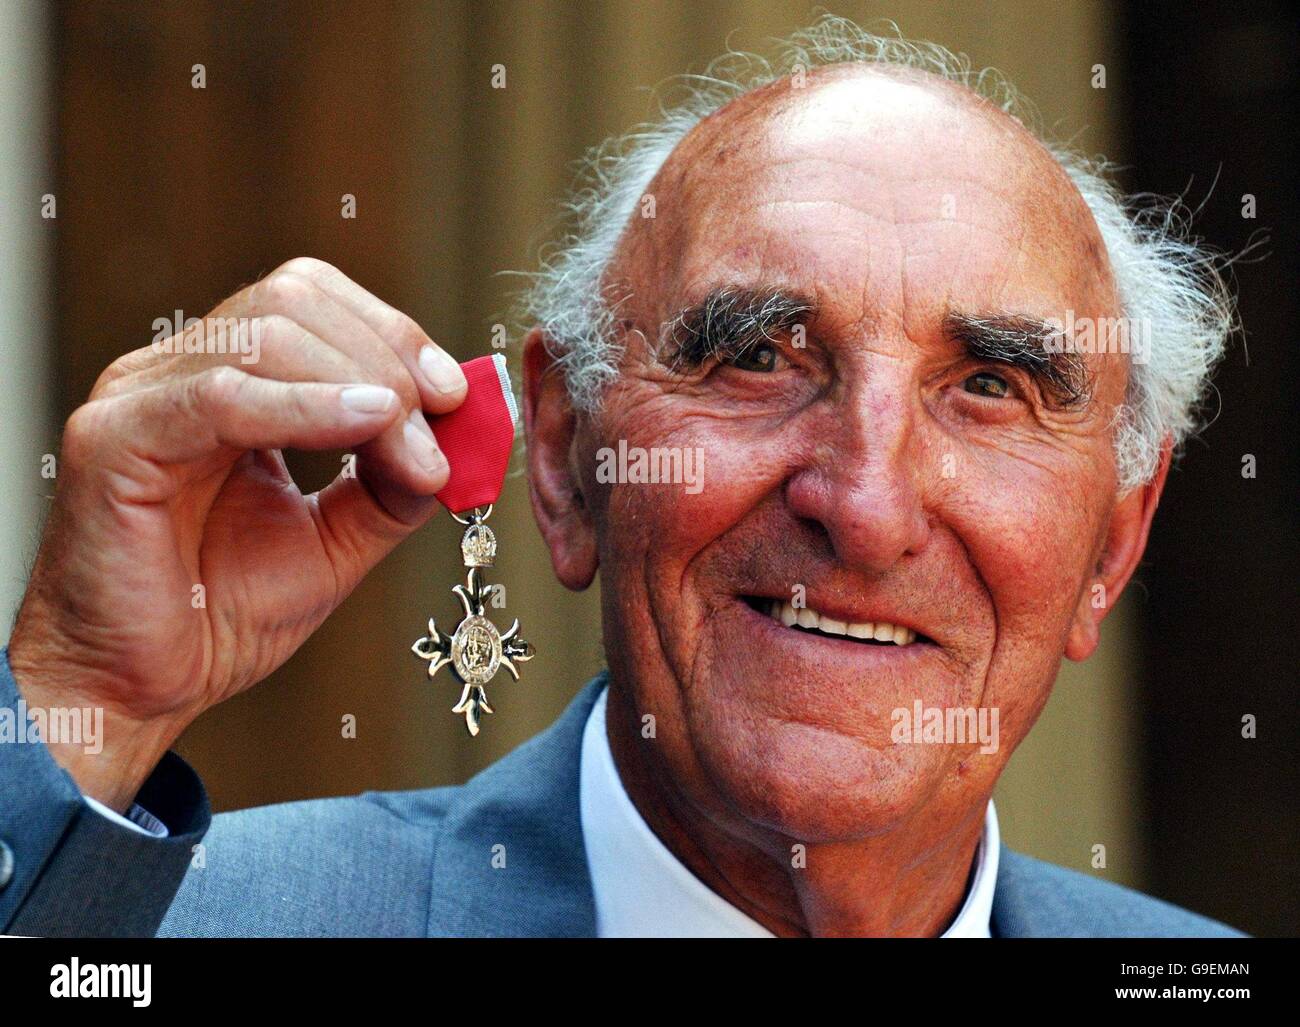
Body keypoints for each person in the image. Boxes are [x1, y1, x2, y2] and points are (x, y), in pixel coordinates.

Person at [0, 19, 1243, 937]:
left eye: (987, 388)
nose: (866, 508)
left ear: (1113, 547)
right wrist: (83, 709)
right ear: (561, 456)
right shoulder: (181, 927)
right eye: (757, 357)